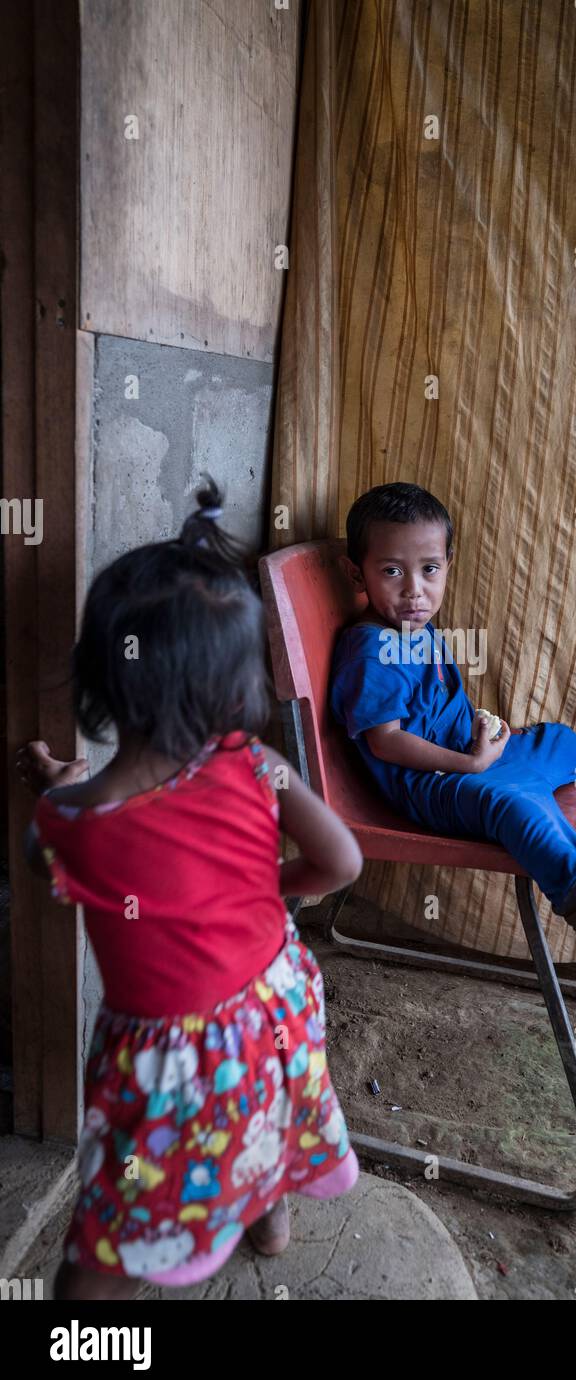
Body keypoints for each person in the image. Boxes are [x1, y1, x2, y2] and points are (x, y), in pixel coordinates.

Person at [18, 480, 363, 1300]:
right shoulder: (259, 767)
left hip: (173, 1068)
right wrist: (270, 890)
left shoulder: (71, 823)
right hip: (275, 1012)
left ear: (101, 680)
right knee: (263, 1124)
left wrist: (66, 788)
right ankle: (269, 1221)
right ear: (235, 684)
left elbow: (49, 864)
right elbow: (343, 861)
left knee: (110, 1238)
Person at [330, 481, 576, 961]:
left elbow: (435, 701)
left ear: (447, 567)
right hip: (426, 784)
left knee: (555, 741)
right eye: (392, 571)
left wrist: (481, 735)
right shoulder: (373, 650)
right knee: (514, 804)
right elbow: (387, 743)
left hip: (464, 752)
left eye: (430, 570)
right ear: (358, 575)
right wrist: (472, 765)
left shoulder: (412, 624)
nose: (415, 590)